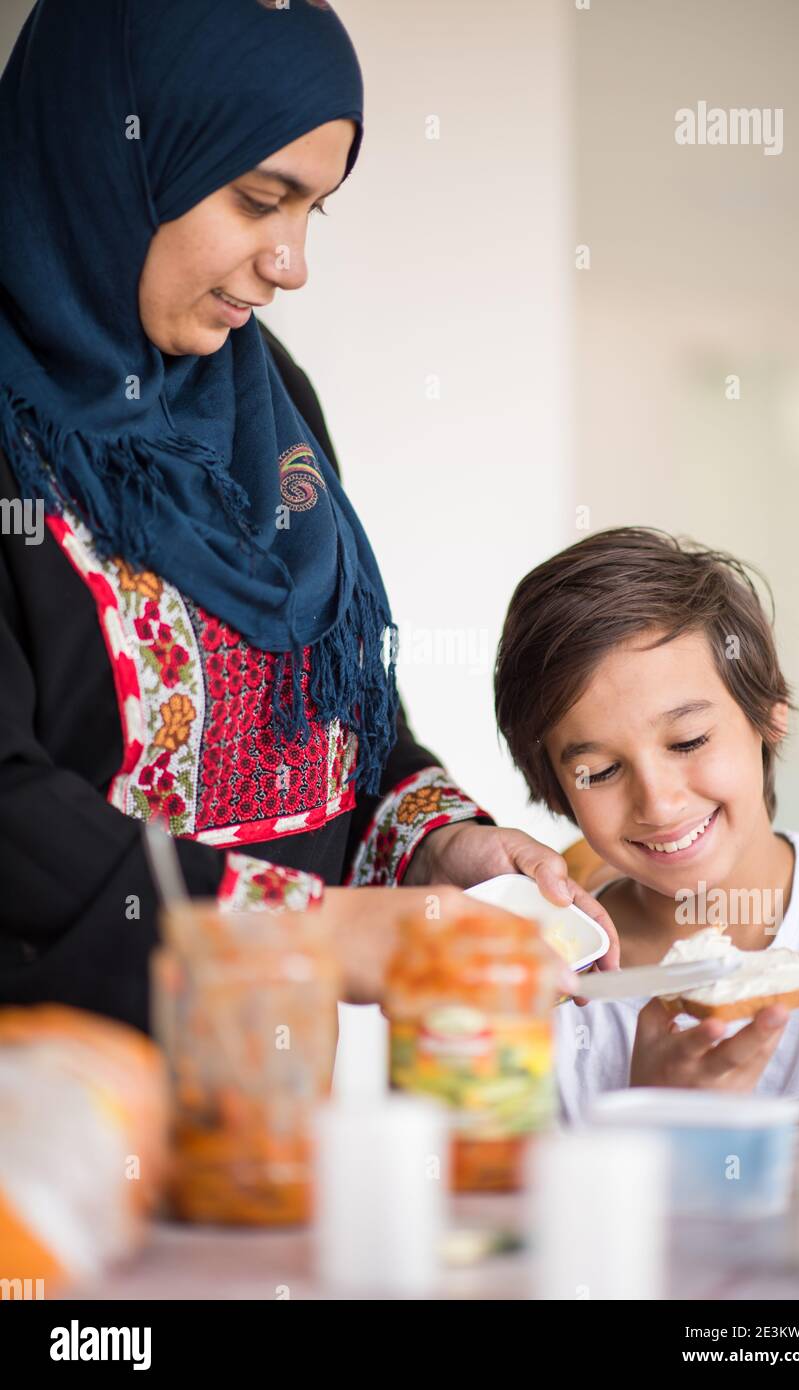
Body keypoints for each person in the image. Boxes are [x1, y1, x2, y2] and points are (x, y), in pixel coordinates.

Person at [0, 0, 614, 1032]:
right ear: (115, 153)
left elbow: (333, 716)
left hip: (269, 1115)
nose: (291, 265)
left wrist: (434, 843)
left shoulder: (263, 404)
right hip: (48, 1126)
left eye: (311, 211)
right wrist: (321, 930)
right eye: (256, 200)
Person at [494, 526, 799, 1121]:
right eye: (601, 770)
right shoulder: (540, 998)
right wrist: (653, 1122)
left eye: (689, 740)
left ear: (770, 718)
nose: (660, 805)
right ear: (558, 791)